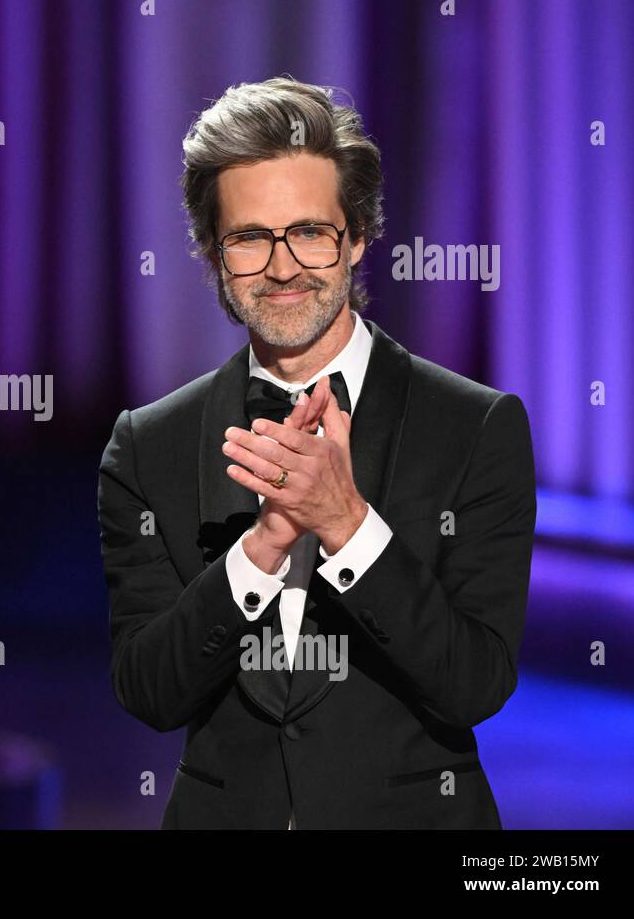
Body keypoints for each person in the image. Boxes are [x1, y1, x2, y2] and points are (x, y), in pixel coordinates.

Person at [98, 77, 535, 829]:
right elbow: (149, 692)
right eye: (249, 238)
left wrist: (347, 524)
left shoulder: (476, 427)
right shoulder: (149, 445)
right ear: (212, 251)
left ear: (357, 235)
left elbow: (475, 685)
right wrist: (263, 545)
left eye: (309, 232)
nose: (282, 266)